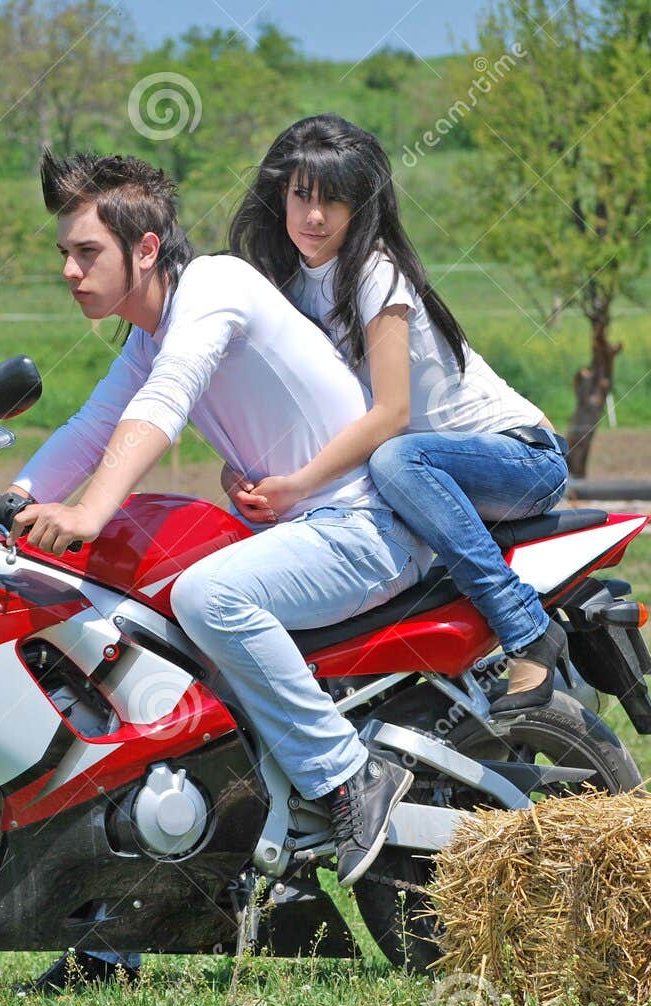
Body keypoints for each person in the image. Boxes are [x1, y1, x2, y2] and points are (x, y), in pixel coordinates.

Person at [7, 150, 427, 893]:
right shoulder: (150, 333)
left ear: (144, 249)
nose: (70, 271)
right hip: (303, 534)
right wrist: (7, 502)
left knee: (207, 596)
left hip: (364, 528)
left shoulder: (216, 287)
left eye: (86, 253)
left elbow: (162, 403)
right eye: (64, 254)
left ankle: (351, 777)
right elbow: (91, 425)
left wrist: (89, 509)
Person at [228, 114, 571, 715]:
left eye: (333, 201)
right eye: (301, 196)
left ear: (362, 207)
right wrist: (245, 473)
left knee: (394, 455)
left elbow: (391, 415)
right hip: (430, 473)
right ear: (279, 194)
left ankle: (528, 629)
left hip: (521, 458)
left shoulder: (374, 273)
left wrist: (301, 484)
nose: (314, 216)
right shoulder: (285, 287)